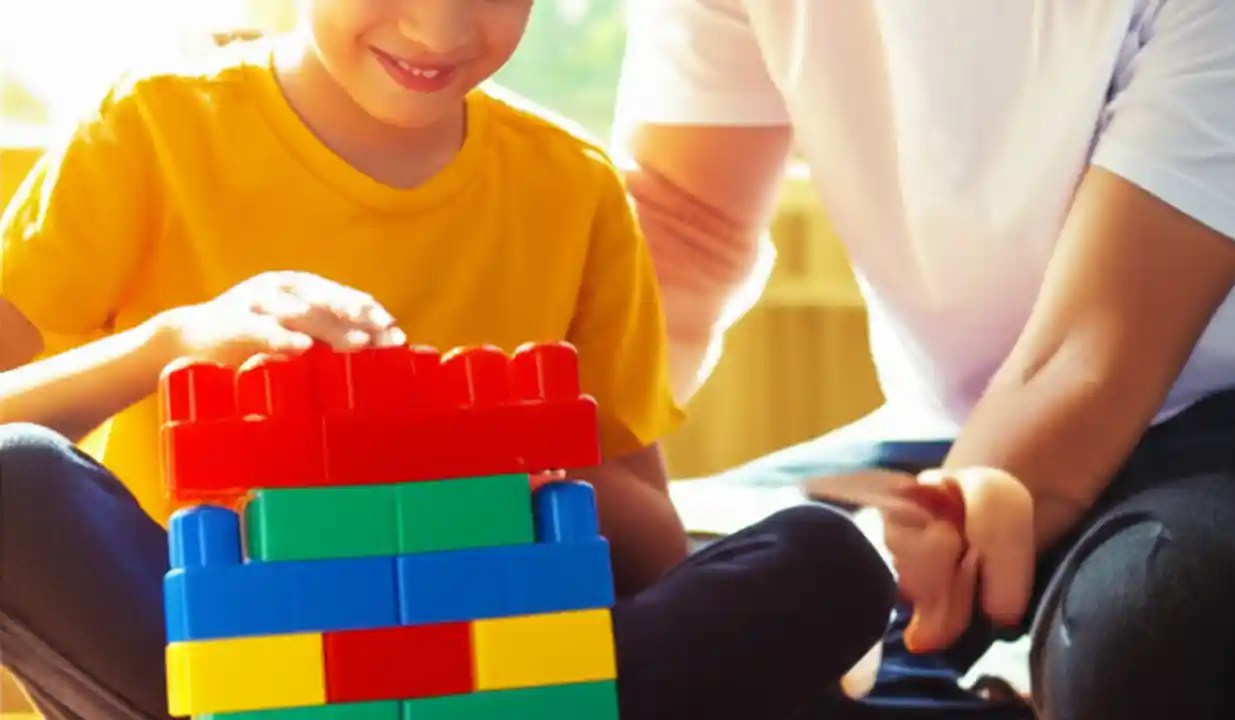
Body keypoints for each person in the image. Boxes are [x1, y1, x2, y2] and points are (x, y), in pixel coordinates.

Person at [0, 2, 899, 719]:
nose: (438, 29)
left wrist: (484, 440)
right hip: (216, 664)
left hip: (501, 661)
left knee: (829, 559)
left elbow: (652, 549)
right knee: (13, 478)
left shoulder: (573, 189)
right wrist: (175, 344)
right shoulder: (150, 128)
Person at [616, 0, 1235, 718]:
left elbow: (1090, 352)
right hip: (937, 441)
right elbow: (686, 228)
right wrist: (551, 460)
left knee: (1157, 614)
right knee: (630, 585)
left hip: (1227, 425)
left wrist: (888, 611)